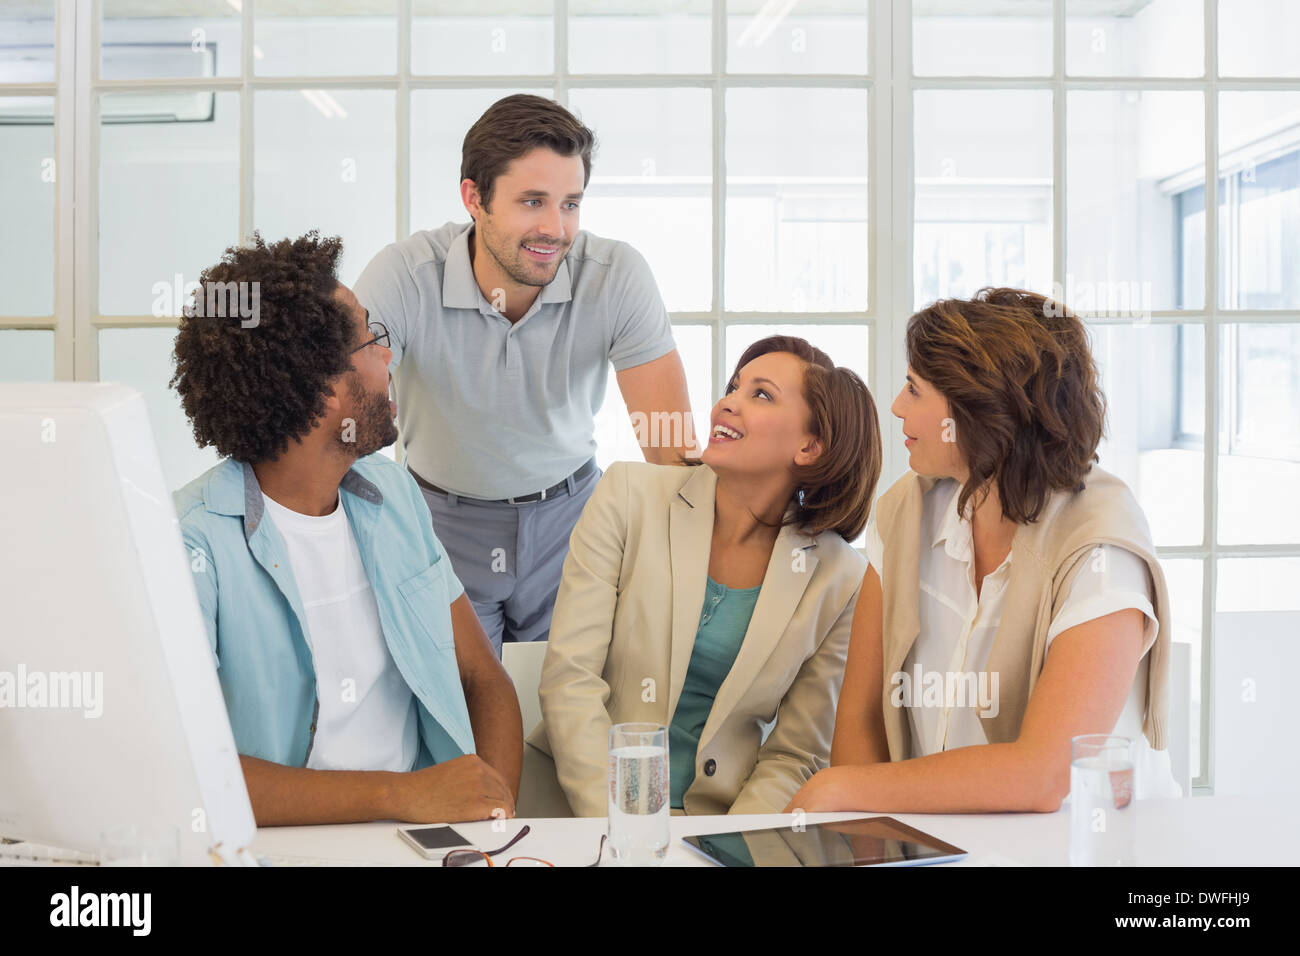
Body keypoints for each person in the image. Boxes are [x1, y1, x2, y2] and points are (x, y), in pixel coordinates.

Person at [171, 231, 522, 826]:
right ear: (322, 388)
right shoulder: (191, 543)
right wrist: (399, 795)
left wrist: (491, 820)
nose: (389, 357)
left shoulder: (394, 496)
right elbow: (183, 770)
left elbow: (484, 680)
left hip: (427, 844)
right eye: (372, 340)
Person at [787, 287, 1181, 816]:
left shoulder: (1101, 550)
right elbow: (861, 716)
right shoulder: (906, 512)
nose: (898, 405)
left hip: (1091, 849)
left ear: (981, 412)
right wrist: (870, 838)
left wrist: (845, 789)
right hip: (945, 844)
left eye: (914, 389)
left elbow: (1044, 775)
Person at [354, 94, 696, 656]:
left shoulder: (616, 275)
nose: (555, 229)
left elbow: (670, 449)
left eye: (570, 204)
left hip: (572, 525)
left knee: (568, 713)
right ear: (474, 198)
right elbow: (344, 409)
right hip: (442, 525)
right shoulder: (405, 275)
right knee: (467, 721)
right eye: (532, 201)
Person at [528, 335, 883, 816]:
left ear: (810, 446)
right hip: (579, 809)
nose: (727, 404)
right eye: (733, 387)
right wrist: (626, 827)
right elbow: (571, 679)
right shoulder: (628, 495)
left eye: (760, 394)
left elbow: (794, 755)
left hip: (716, 830)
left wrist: (732, 847)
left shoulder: (841, 578)